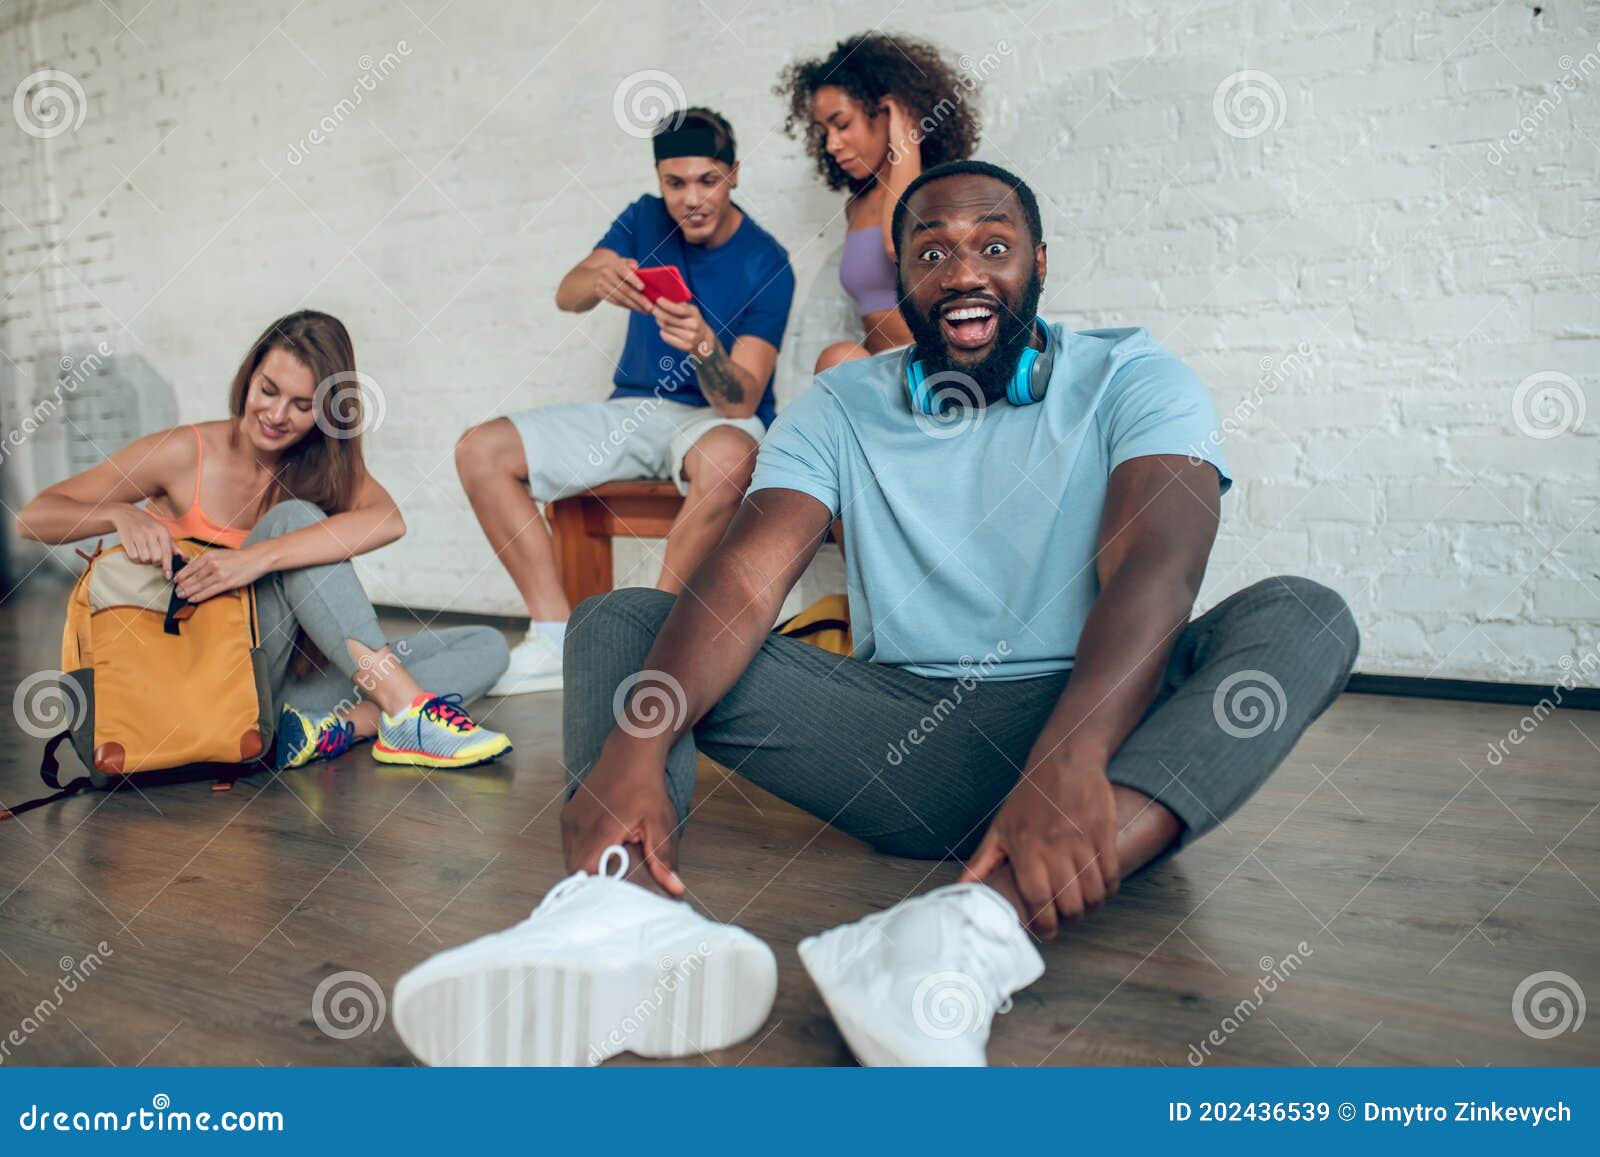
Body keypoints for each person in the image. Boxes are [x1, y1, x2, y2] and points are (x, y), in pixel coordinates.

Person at [392, 162, 1359, 1068]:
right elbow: (745, 578)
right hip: (907, 742)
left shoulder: (1133, 376)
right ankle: (618, 916)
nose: (964, 270)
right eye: (932, 252)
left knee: (1303, 614)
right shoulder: (841, 404)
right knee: (619, 622)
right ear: (900, 278)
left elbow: (1157, 562)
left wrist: (1069, 759)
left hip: (1100, 742)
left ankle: (969, 929)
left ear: (1039, 265)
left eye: (994, 245)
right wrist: (638, 746)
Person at [16, 310, 513, 772]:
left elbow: (388, 521)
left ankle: (345, 725)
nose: (277, 416)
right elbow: (34, 517)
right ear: (248, 377)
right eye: (268, 390)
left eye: (302, 406)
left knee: (486, 644)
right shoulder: (181, 452)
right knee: (297, 518)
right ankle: (405, 713)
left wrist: (257, 559)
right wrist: (120, 514)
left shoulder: (320, 463)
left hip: (277, 683)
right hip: (202, 679)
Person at [455, 107, 796, 696]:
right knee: (480, 450)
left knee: (728, 458)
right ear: (659, 179)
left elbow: (741, 401)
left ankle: (652, 643)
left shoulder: (768, 261)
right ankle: (555, 634)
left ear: (735, 174)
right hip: (632, 413)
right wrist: (601, 278)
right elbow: (569, 294)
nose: (691, 198)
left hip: (715, 419)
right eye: (675, 182)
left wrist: (705, 347)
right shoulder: (643, 218)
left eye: (707, 180)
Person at [777, 32, 981, 375]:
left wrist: (906, 135)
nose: (832, 144)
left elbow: (896, 243)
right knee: (839, 358)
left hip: (941, 368)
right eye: (824, 131)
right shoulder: (856, 205)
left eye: (842, 125)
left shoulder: (940, 189)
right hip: (880, 373)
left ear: (888, 112)